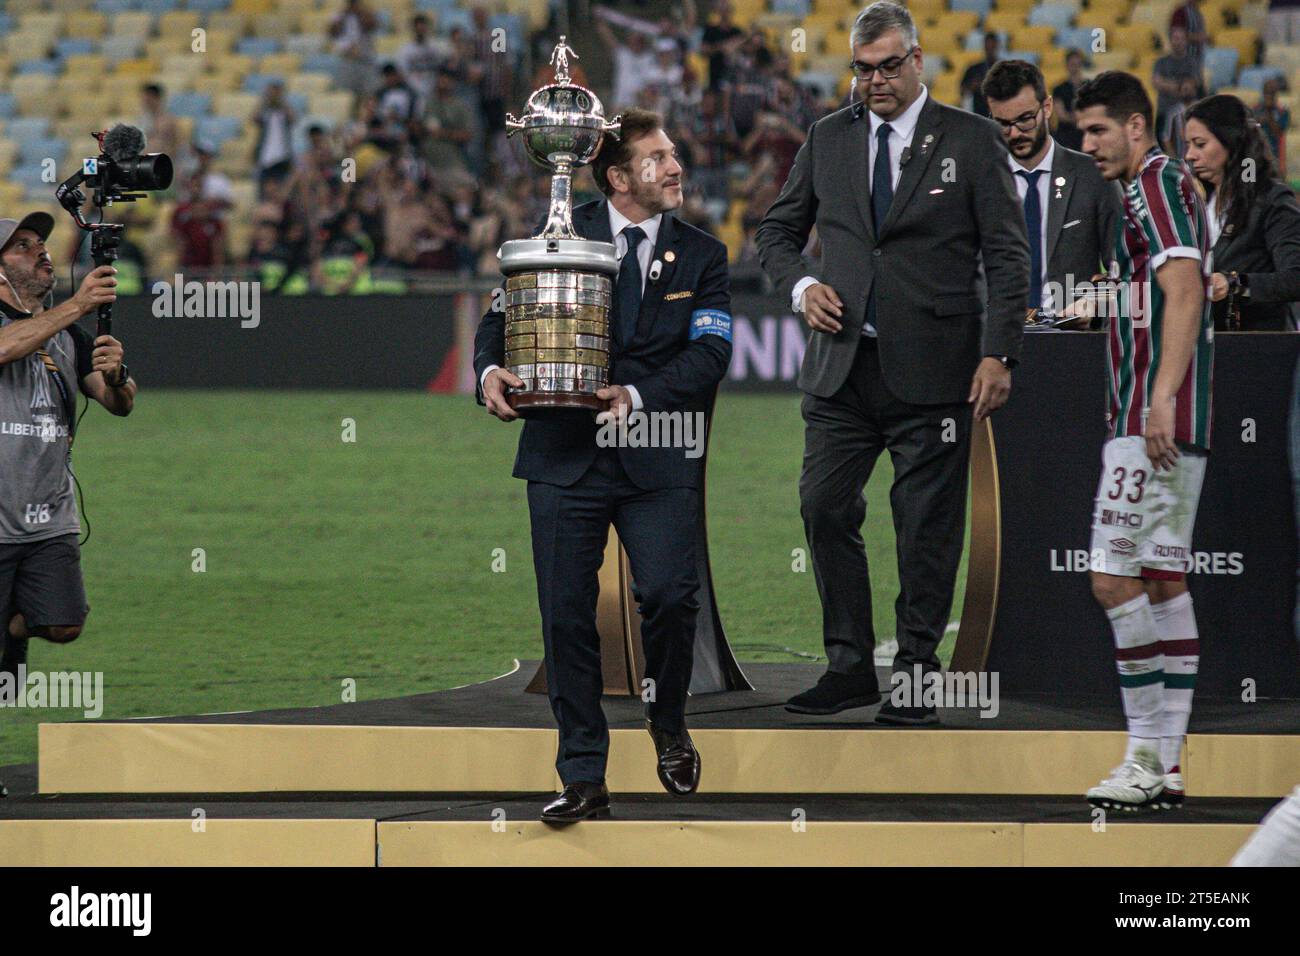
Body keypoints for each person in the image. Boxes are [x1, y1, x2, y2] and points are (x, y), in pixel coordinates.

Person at [755, 2, 1029, 723]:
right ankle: (848, 666)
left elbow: (1006, 255)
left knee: (926, 529)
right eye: (861, 68)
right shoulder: (827, 137)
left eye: (886, 66)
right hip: (842, 370)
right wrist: (804, 285)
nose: (874, 81)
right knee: (822, 506)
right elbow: (776, 235)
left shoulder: (971, 141)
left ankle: (914, 675)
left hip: (937, 372)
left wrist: (1000, 352)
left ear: (917, 61)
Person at [474, 109, 732, 823]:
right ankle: (584, 774)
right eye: (657, 158)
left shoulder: (705, 255)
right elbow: (501, 318)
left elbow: (711, 355)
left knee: (673, 598)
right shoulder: (557, 234)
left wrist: (639, 394)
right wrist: (491, 370)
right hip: (561, 455)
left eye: (674, 152)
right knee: (565, 618)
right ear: (619, 177)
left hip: (658, 456)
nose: (675, 166)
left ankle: (669, 719)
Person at [1073, 71, 1214, 812]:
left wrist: (1158, 399)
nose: (1086, 143)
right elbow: (1162, 288)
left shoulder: (1157, 180)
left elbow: (1185, 287)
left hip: (1152, 419)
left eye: (1097, 129)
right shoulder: (1158, 189)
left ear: (1135, 125)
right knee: (1162, 577)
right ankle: (1168, 764)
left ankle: (1143, 757)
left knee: (1112, 578)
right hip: (1166, 414)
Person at [0, 213, 128, 711]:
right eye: (22, 246)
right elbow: (7, 346)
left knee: (65, 623)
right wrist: (79, 304)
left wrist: (116, 376)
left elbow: (119, 403)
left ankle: (15, 622)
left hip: (48, 516)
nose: (41, 251)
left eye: (42, 243)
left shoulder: (67, 336)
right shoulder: (61, 320)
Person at [984, 60, 1122, 318]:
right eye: (1003, 123)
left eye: (1025, 119)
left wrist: (1093, 303)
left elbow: (1128, 268)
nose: (1014, 133)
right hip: (995, 339)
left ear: (1047, 107)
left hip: (1068, 338)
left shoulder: (1094, 176)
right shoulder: (979, 181)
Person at [1183, 94, 1300, 331]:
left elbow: (1295, 278)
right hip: (1206, 350)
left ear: (1233, 143)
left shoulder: (1272, 200)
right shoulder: (1195, 204)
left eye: (1200, 144)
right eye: (1188, 145)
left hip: (1260, 351)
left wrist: (1235, 284)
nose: (1189, 155)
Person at [1152, 26, 1201, 138]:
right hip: (1164, 111)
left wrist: (1168, 85)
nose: (1178, 42)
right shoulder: (1161, 62)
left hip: (1184, 114)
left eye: (1181, 39)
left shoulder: (1192, 62)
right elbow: (1157, 82)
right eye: (1175, 38)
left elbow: (1192, 85)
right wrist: (1179, 86)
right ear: (1170, 40)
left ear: (1186, 41)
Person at [1051, 49, 1086, 151]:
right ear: (1067, 65)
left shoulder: (1089, 86)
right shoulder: (1059, 89)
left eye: (1078, 64)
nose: (1075, 67)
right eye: (1072, 64)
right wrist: (1078, 118)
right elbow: (1061, 115)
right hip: (1066, 134)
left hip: (1084, 132)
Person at [961, 32, 1000, 118]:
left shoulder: (1004, 69)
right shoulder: (974, 69)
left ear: (996, 46)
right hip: (978, 114)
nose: (989, 50)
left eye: (992, 47)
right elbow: (963, 90)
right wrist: (973, 86)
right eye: (987, 47)